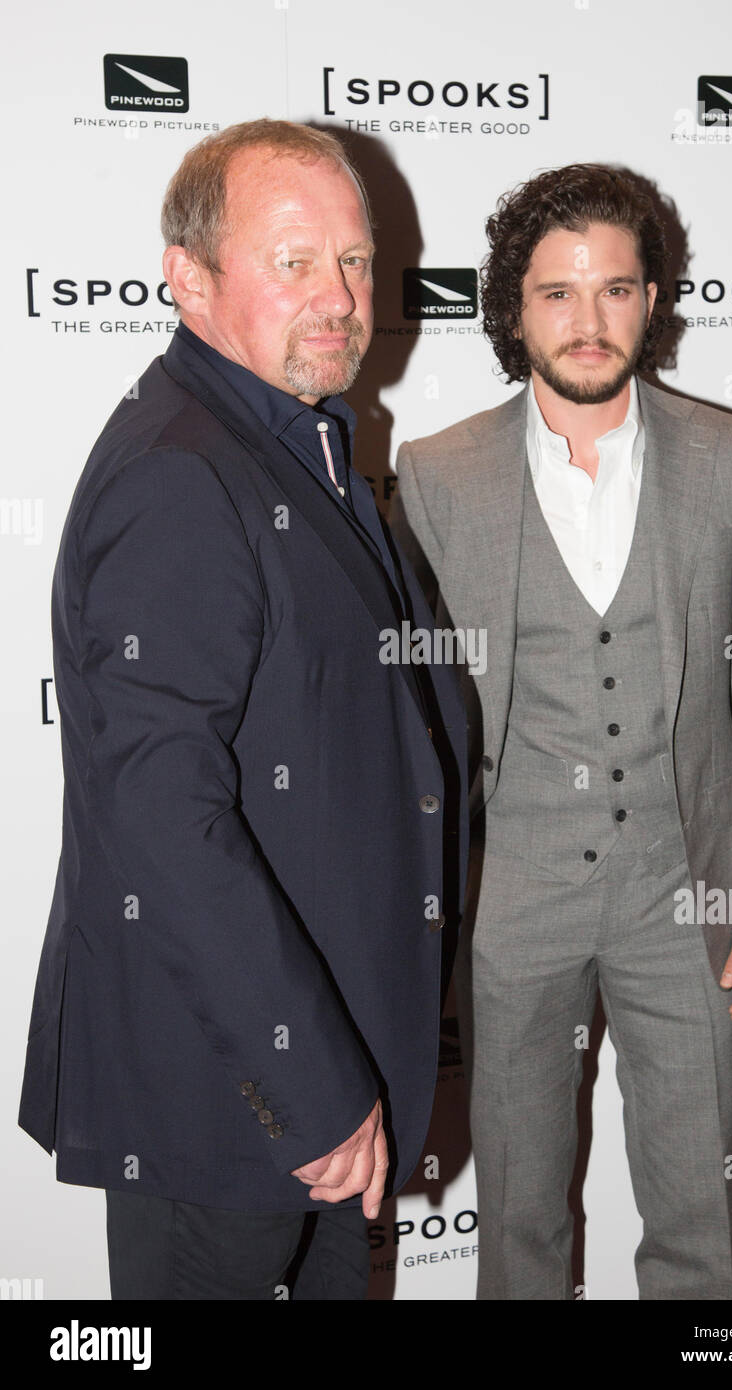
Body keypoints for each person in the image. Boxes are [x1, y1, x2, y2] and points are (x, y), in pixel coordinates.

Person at [18, 119, 466, 1301]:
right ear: (190, 277)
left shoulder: (296, 440)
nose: (339, 296)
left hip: (309, 1079)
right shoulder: (183, 469)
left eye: (356, 261)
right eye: (293, 260)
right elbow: (160, 819)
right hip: (231, 1096)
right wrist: (307, 1086)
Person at [390, 164, 732, 1300]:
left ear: (649, 300)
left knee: (694, 1226)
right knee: (519, 1230)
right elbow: (408, 713)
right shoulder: (435, 476)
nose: (588, 323)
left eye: (615, 290)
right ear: (511, 308)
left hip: (686, 896)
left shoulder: (731, 459)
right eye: (556, 294)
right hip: (511, 903)